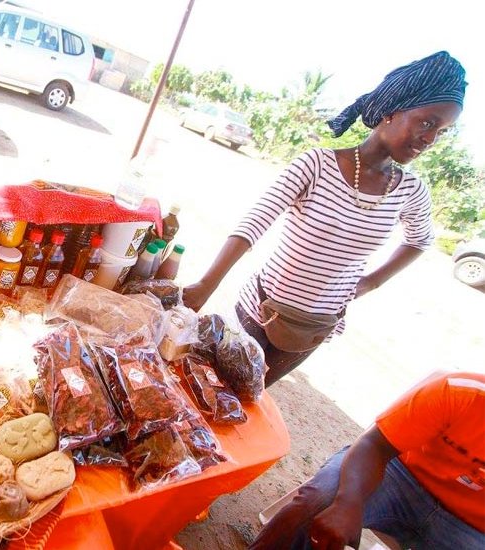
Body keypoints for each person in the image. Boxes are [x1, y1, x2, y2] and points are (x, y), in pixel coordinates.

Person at [182, 51, 467, 386]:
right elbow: (256, 222)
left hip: (313, 330)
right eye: (428, 122)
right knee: (202, 389)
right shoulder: (317, 165)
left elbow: (420, 240)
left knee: (246, 403)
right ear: (392, 111)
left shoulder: (410, 191)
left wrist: (370, 283)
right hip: (258, 311)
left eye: (442, 131)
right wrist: (206, 284)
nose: (431, 140)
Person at [250, 370, 485, 550]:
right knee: (321, 501)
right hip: (402, 474)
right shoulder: (462, 393)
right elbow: (375, 445)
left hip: (473, 527)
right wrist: (347, 503)